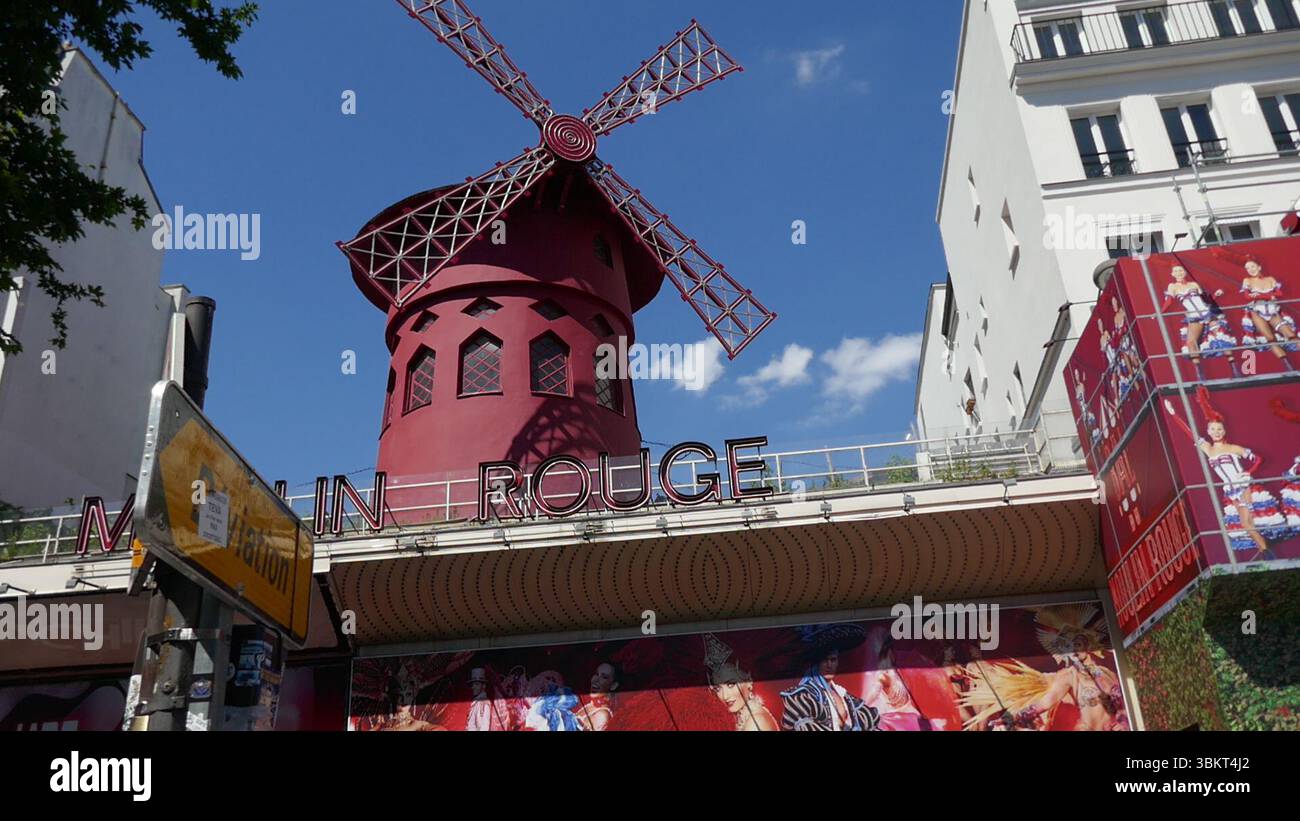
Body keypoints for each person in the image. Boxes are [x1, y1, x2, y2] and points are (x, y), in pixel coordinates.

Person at [1165, 388, 1297, 559]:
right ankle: (1266, 552)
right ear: (1208, 431)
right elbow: (1189, 432)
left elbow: (1257, 459)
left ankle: (1267, 552)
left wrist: (1248, 473)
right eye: (1213, 429)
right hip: (1231, 490)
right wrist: (1173, 414)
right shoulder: (1208, 449)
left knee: (1248, 522)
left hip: (1242, 486)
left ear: (1224, 431)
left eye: (1219, 429)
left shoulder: (1233, 448)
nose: (1216, 432)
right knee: (1245, 523)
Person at [958, 605, 1128, 731]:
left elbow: (1121, 706)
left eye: (1076, 644)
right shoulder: (1069, 675)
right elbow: (1042, 705)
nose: (1073, 651)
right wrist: (1011, 719)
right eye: (1066, 647)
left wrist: (1122, 722)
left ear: (1086, 643)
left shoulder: (1108, 674)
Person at [780, 624, 880, 731]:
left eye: (833, 660)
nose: (829, 665)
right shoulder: (803, 696)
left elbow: (869, 725)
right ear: (816, 662)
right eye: (824, 660)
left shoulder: (846, 698)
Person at [1161, 264, 1238, 380]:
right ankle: (1200, 374)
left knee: (1222, 337)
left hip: (1207, 312)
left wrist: (1216, 295)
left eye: (1180, 270)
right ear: (1172, 274)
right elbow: (1169, 301)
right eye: (1176, 271)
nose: (1179, 273)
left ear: (1185, 272)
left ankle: (1234, 369)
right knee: (1191, 342)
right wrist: (1160, 312)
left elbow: (1205, 300)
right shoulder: (1172, 286)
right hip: (1194, 316)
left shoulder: (1194, 284)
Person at [701, 634, 777, 731]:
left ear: (749, 682)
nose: (725, 696)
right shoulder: (747, 718)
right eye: (718, 689)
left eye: (731, 685)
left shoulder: (756, 721)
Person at [1238, 258, 1297, 370]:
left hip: (1272, 310)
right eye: (1247, 268)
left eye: (1252, 266)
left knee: (1290, 333)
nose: (1250, 270)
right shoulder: (1247, 280)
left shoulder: (1270, 279)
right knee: (1270, 339)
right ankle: (1289, 368)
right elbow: (1247, 296)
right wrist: (1270, 296)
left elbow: (1279, 293)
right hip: (1257, 311)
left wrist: (1261, 295)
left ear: (1259, 267)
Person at [574, 661, 620, 732]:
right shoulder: (588, 705)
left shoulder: (602, 715)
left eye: (604, 677)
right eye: (596, 674)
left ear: (613, 685)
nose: (596, 680)